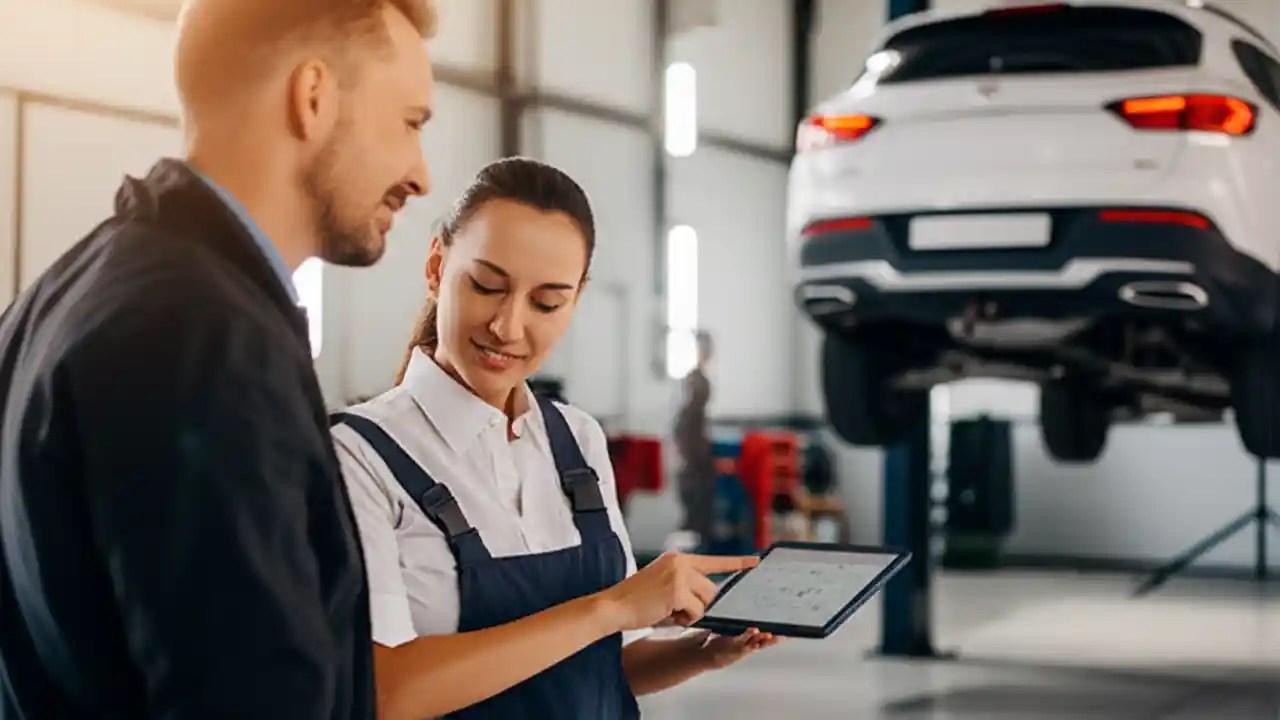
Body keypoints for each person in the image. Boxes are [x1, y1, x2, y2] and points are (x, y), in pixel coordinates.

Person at [0, 1, 435, 717]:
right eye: (411, 123)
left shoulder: (66, 293)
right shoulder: (205, 341)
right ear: (315, 96)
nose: (420, 175)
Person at [332, 158, 778, 720]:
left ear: (576, 300)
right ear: (436, 265)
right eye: (487, 285)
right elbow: (384, 694)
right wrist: (612, 606)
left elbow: (587, 670)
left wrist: (700, 654)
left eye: (547, 302)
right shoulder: (358, 459)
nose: (508, 327)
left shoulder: (579, 440)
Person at [674, 331, 717, 547]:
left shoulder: (695, 409)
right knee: (694, 501)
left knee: (701, 501)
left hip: (697, 453)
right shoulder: (695, 383)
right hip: (693, 454)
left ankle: (700, 540)